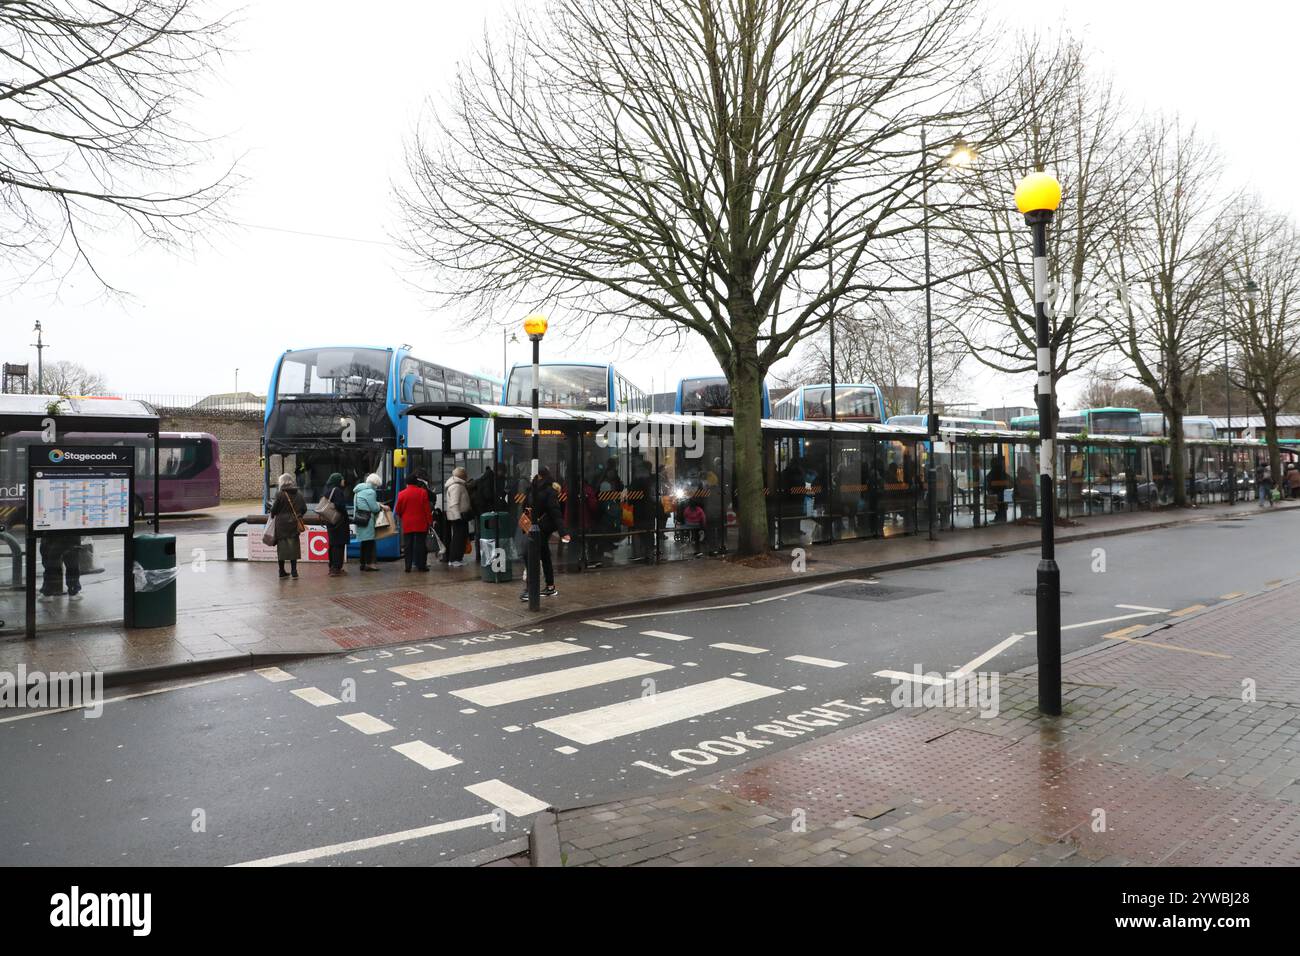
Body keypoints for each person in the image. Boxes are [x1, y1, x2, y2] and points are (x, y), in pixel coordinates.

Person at [519, 466, 571, 601]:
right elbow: (526, 506)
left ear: (539, 476)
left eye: (533, 474)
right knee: (543, 554)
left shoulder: (548, 490)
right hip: (533, 526)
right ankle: (550, 586)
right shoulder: (533, 488)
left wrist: (563, 532)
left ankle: (530, 590)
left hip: (542, 527)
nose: (530, 476)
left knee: (529, 553)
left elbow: (555, 512)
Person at [270, 473, 307, 579]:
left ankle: (281, 571)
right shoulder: (299, 494)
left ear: (281, 482)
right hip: (294, 524)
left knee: (281, 548)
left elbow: (274, 510)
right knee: (294, 547)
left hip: (281, 525)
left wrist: (273, 513)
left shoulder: (280, 494)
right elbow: (304, 508)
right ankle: (294, 571)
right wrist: (298, 515)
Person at [395, 474, 433, 572]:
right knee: (420, 544)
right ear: (416, 482)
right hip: (421, 522)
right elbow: (427, 509)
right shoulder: (422, 492)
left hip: (407, 523)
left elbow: (398, 510)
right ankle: (421, 565)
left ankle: (408, 566)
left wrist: (403, 516)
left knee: (408, 545)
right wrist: (429, 521)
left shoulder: (401, 494)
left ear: (406, 483)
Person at [39, 531, 84, 599]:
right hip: (72, 532)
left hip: (52, 533)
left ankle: (48, 593)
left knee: (51, 563)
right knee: (72, 564)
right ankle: (73, 591)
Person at [443, 466, 472, 567]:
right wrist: (458, 516)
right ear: (462, 475)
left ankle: (458, 558)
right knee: (458, 538)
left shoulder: (458, 485)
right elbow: (454, 503)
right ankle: (454, 559)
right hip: (458, 517)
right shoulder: (456, 486)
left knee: (460, 538)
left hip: (458, 516)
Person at [352, 473, 383, 572]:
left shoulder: (359, 490)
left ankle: (362, 563)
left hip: (359, 519)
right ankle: (370, 564)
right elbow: (374, 508)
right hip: (368, 520)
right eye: (377, 485)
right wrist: (380, 506)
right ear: (375, 483)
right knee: (370, 543)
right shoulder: (370, 492)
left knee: (364, 543)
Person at [322, 472, 351, 576]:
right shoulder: (337, 491)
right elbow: (340, 506)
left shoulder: (327, 490)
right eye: (342, 479)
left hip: (330, 521)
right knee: (339, 545)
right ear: (337, 481)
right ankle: (336, 569)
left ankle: (332, 567)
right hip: (339, 522)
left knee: (333, 544)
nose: (343, 481)